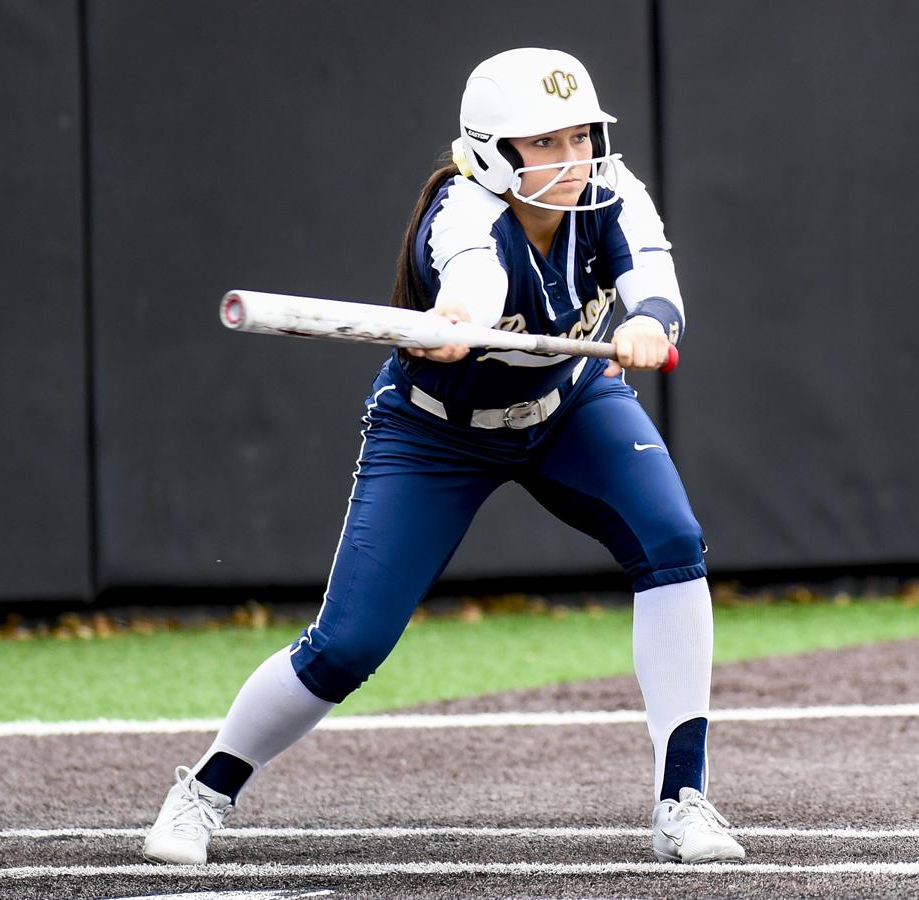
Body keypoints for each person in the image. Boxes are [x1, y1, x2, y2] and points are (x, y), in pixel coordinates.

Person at [143, 47, 744, 866]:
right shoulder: (461, 214)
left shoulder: (615, 191)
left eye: (582, 137)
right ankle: (203, 792)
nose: (573, 161)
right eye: (547, 144)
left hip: (572, 404)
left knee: (674, 540)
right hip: (436, 433)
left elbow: (655, 284)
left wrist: (647, 327)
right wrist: (458, 317)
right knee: (347, 645)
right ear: (495, 154)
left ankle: (684, 800)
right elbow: (472, 282)